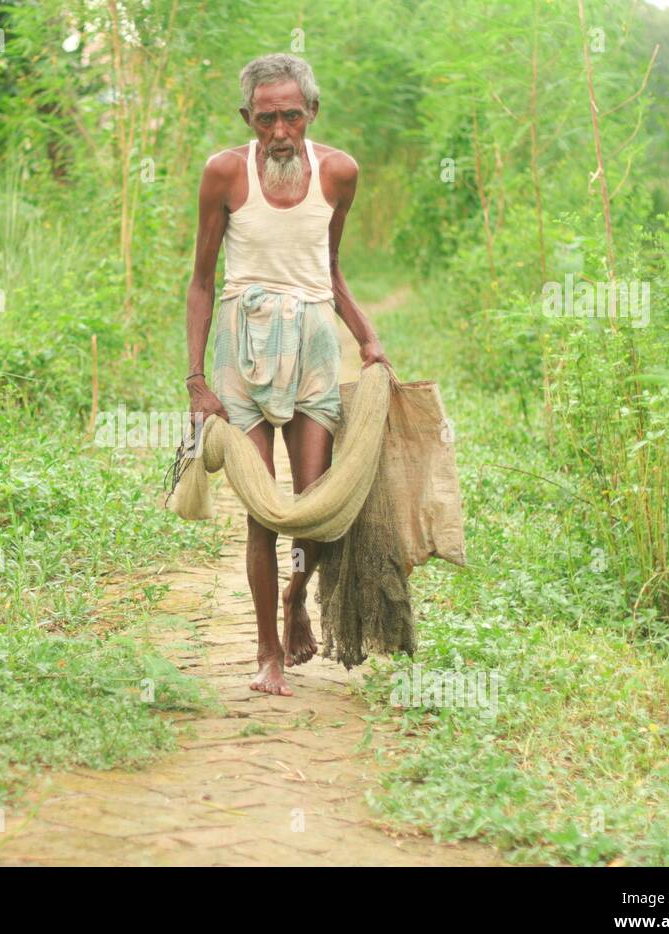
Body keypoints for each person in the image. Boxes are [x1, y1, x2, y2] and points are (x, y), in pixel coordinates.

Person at [184, 53, 389, 697]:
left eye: (291, 116)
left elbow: (330, 268)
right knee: (261, 513)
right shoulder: (225, 174)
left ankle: (297, 598)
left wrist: (369, 339)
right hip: (240, 345)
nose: (279, 131)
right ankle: (267, 650)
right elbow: (201, 279)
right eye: (266, 118)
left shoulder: (339, 174)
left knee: (311, 507)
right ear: (249, 118)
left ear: (312, 114)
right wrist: (195, 378)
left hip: (313, 345)